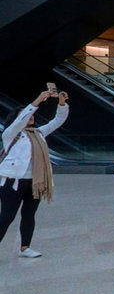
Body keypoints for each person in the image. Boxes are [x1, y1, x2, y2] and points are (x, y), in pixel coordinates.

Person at [0, 87, 69, 258]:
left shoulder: (39, 133)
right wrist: (37, 101)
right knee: (7, 216)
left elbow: (57, 121)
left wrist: (61, 104)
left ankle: (25, 247)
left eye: (32, 115)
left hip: (35, 182)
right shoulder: (11, 134)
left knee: (29, 214)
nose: (31, 117)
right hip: (13, 181)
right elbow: (21, 119)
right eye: (27, 115)